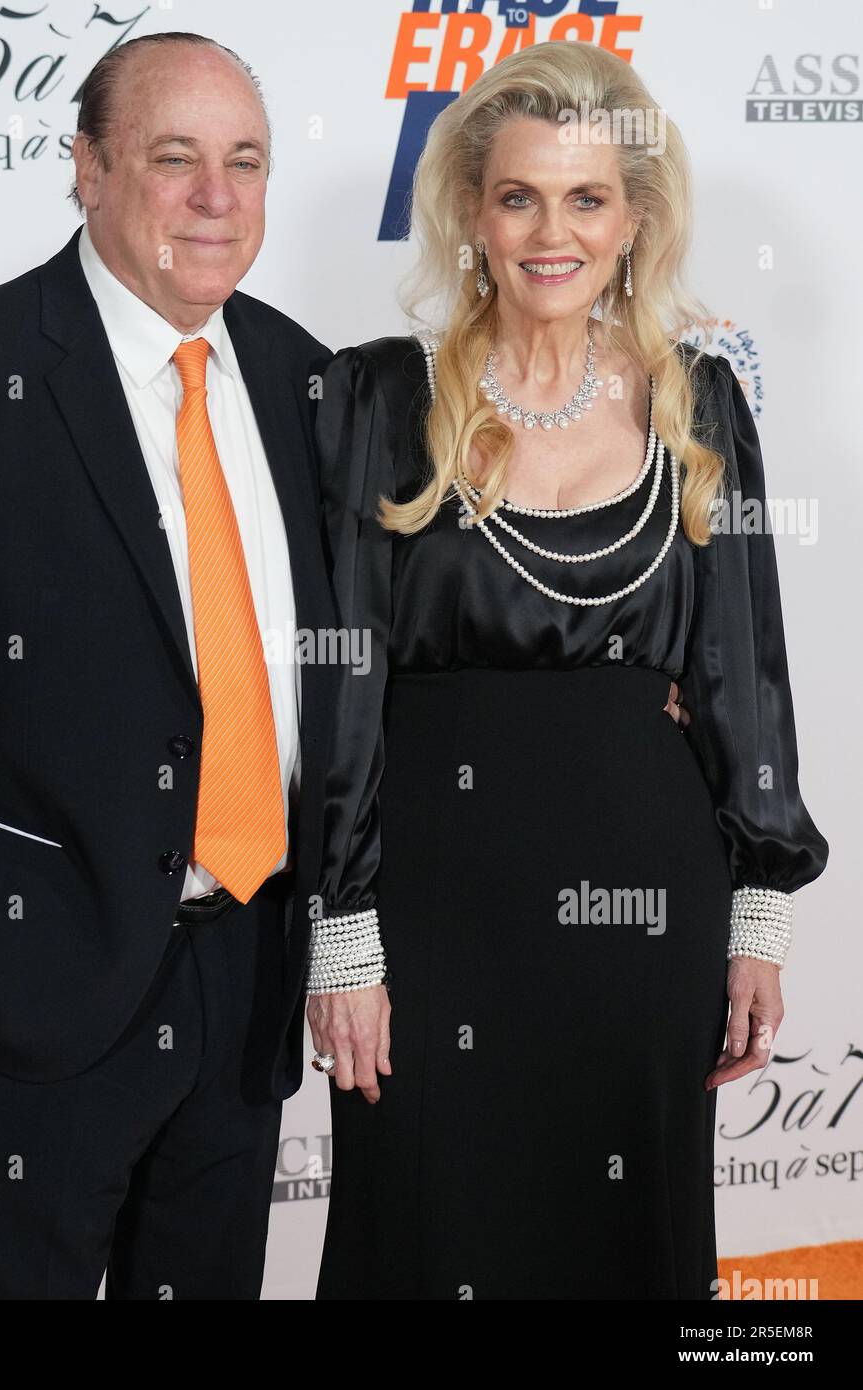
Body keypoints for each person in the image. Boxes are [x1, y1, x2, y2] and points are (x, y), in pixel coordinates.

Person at [0, 32, 337, 1299]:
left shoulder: (302, 377)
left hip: (246, 979)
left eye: (244, 161)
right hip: (26, 983)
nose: (216, 196)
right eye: (174, 158)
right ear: (88, 168)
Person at [304, 43, 829, 1300]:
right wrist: (343, 937)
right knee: (425, 1229)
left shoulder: (695, 405)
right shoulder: (378, 394)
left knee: (624, 1239)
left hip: (647, 908)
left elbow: (741, 665)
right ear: (471, 213)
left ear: (633, 220)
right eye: (519, 196)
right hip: (435, 901)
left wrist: (757, 915)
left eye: (586, 199)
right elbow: (340, 684)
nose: (552, 232)